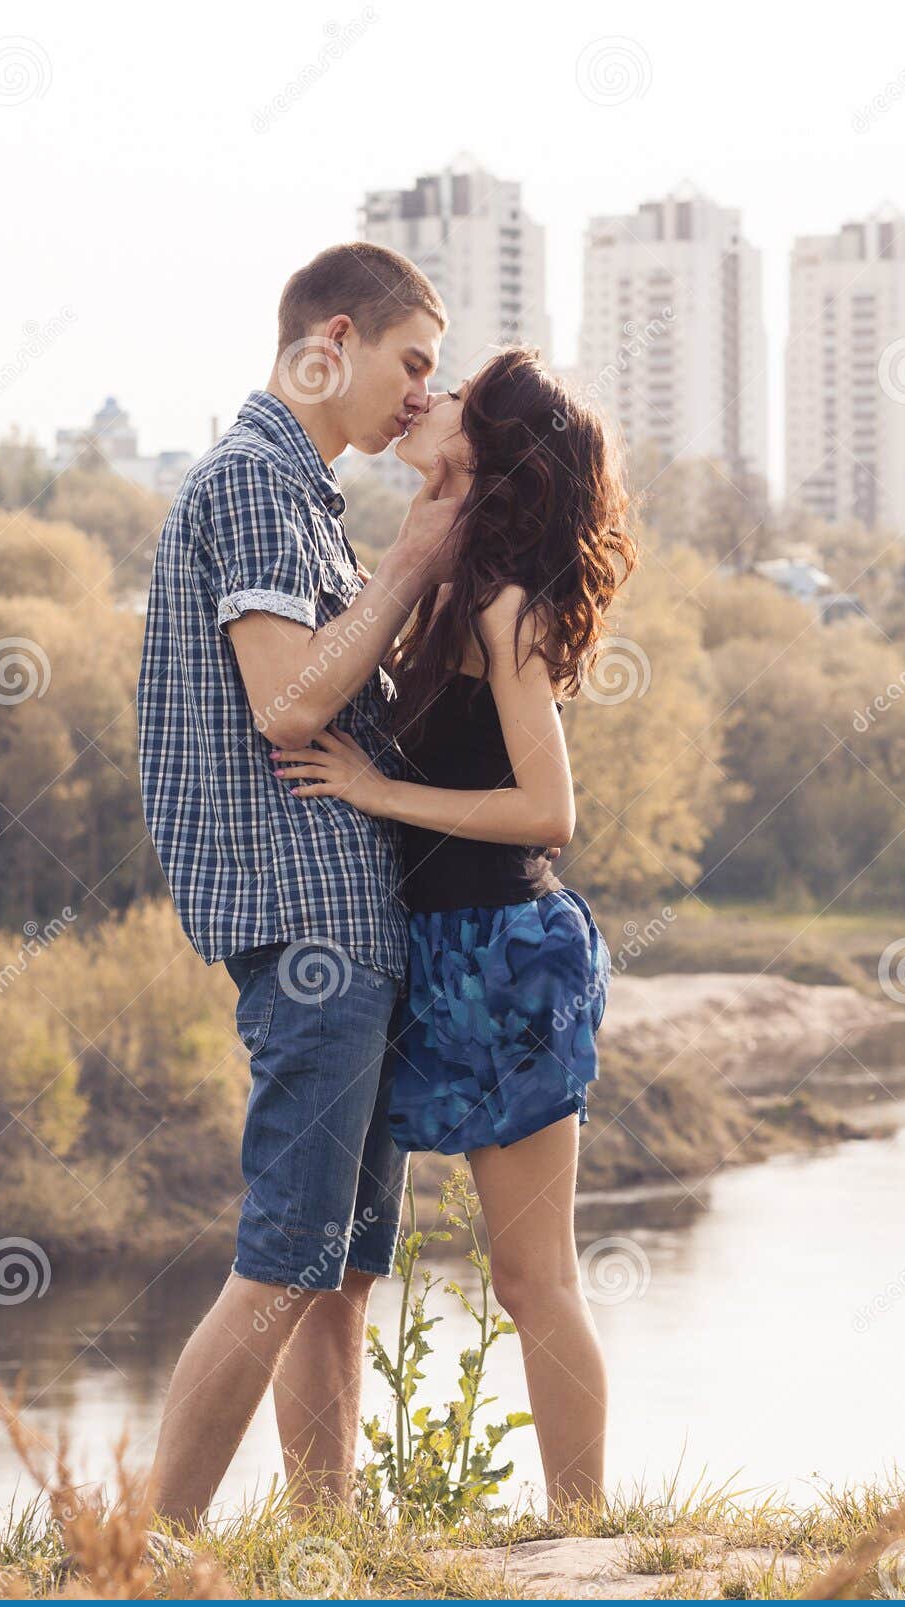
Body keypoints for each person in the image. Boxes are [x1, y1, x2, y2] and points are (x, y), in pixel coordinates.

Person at [271, 347, 637, 1513]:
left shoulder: (502, 604)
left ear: (494, 454)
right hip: (431, 953)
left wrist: (374, 792)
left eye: (461, 397)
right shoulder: (438, 578)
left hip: (507, 956)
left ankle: (584, 1533)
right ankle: (330, 1520)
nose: (429, 398)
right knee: (348, 1272)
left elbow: (548, 811)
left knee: (532, 1280)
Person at [136, 241, 465, 1529]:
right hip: (307, 922)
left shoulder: (306, 498)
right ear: (336, 340)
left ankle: (329, 1546)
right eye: (411, 362)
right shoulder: (255, 481)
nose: (420, 393)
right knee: (284, 1259)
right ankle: (143, 1561)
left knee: (338, 1273)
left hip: (348, 923)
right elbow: (287, 702)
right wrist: (413, 557)